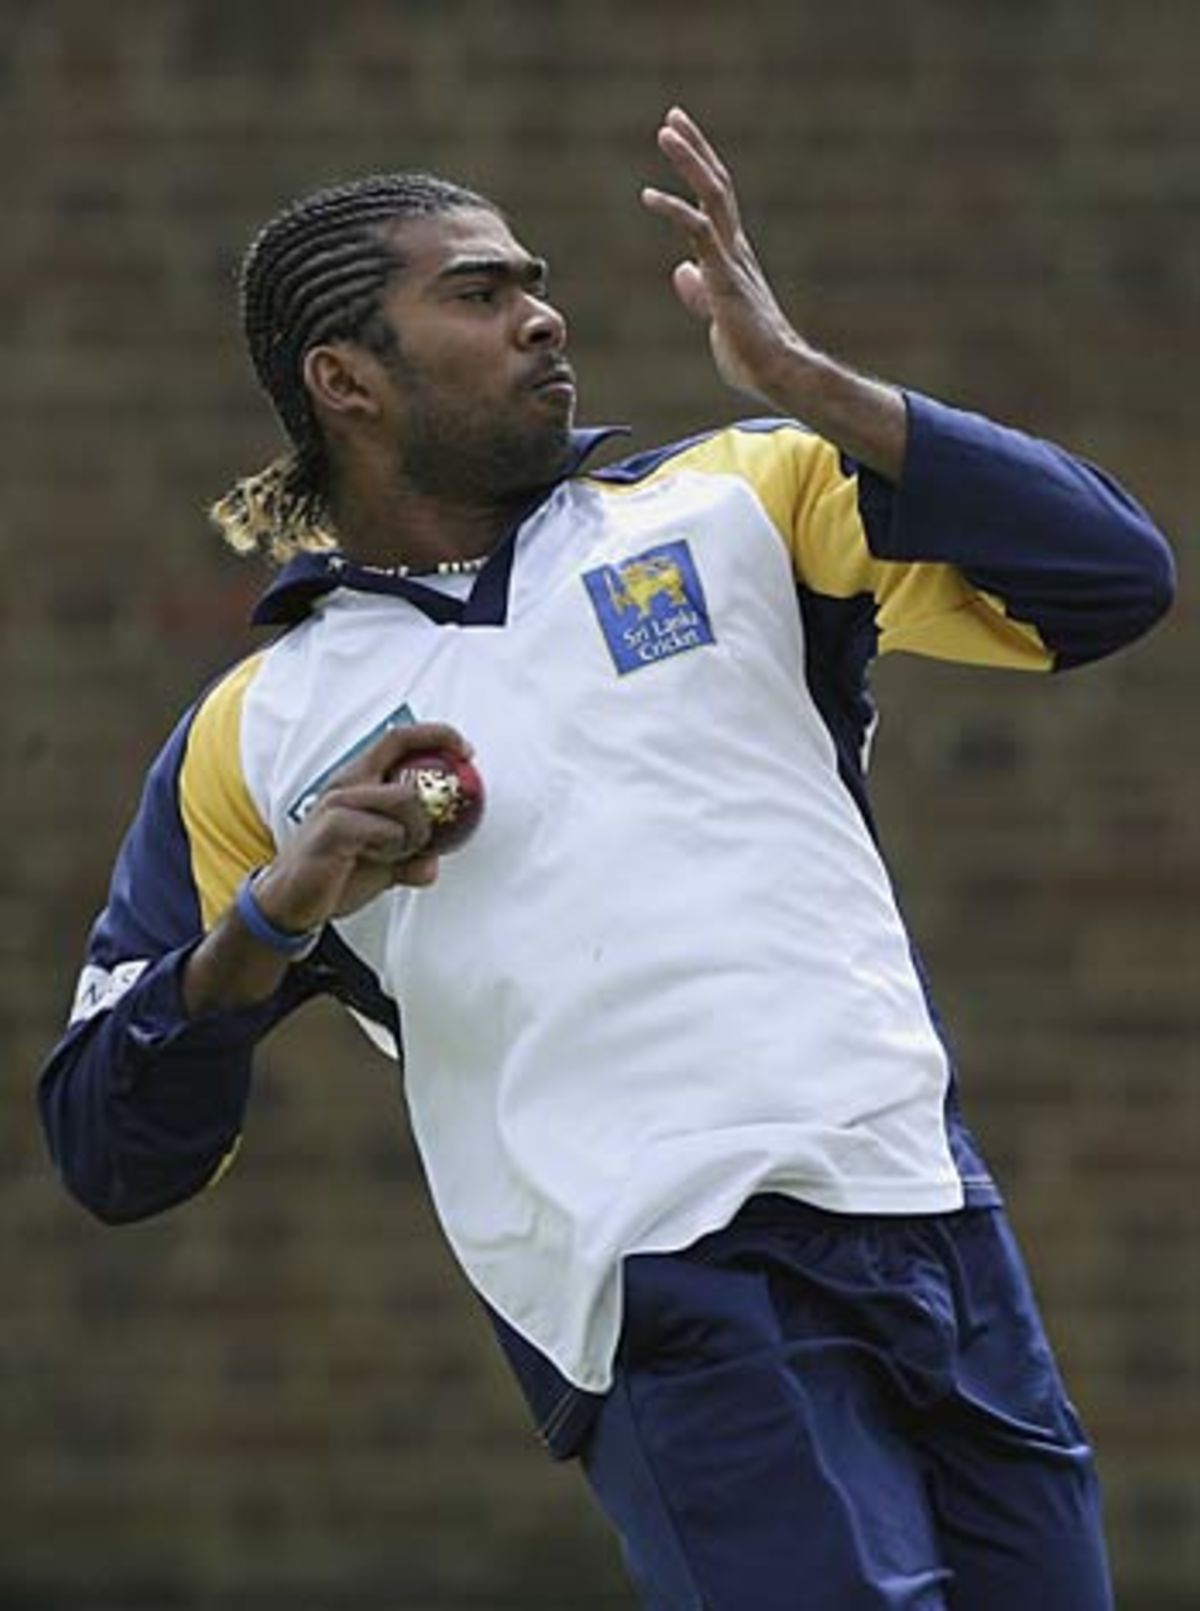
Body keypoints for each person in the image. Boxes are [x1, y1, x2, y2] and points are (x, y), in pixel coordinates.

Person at [38, 106, 1174, 1610]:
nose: (542, 313)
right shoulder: (257, 731)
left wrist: (808, 382)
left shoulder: (751, 497)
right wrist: (272, 915)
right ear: (345, 380)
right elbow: (111, 1144)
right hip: (664, 1284)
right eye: (481, 292)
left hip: (931, 1223)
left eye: (537, 280)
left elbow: (1111, 580)